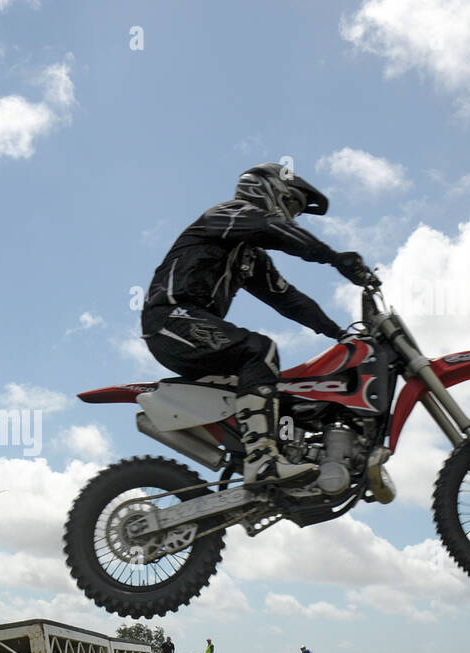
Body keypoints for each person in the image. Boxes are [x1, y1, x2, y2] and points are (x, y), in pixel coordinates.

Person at [141, 162, 378, 487]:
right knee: (261, 351)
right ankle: (262, 462)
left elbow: (288, 299)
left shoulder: (249, 256)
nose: (291, 215)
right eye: (292, 203)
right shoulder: (227, 214)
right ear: (265, 190)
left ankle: (271, 452)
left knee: (274, 383)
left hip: (189, 326)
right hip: (170, 317)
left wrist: (340, 334)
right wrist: (335, 258)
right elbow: (275, 230)